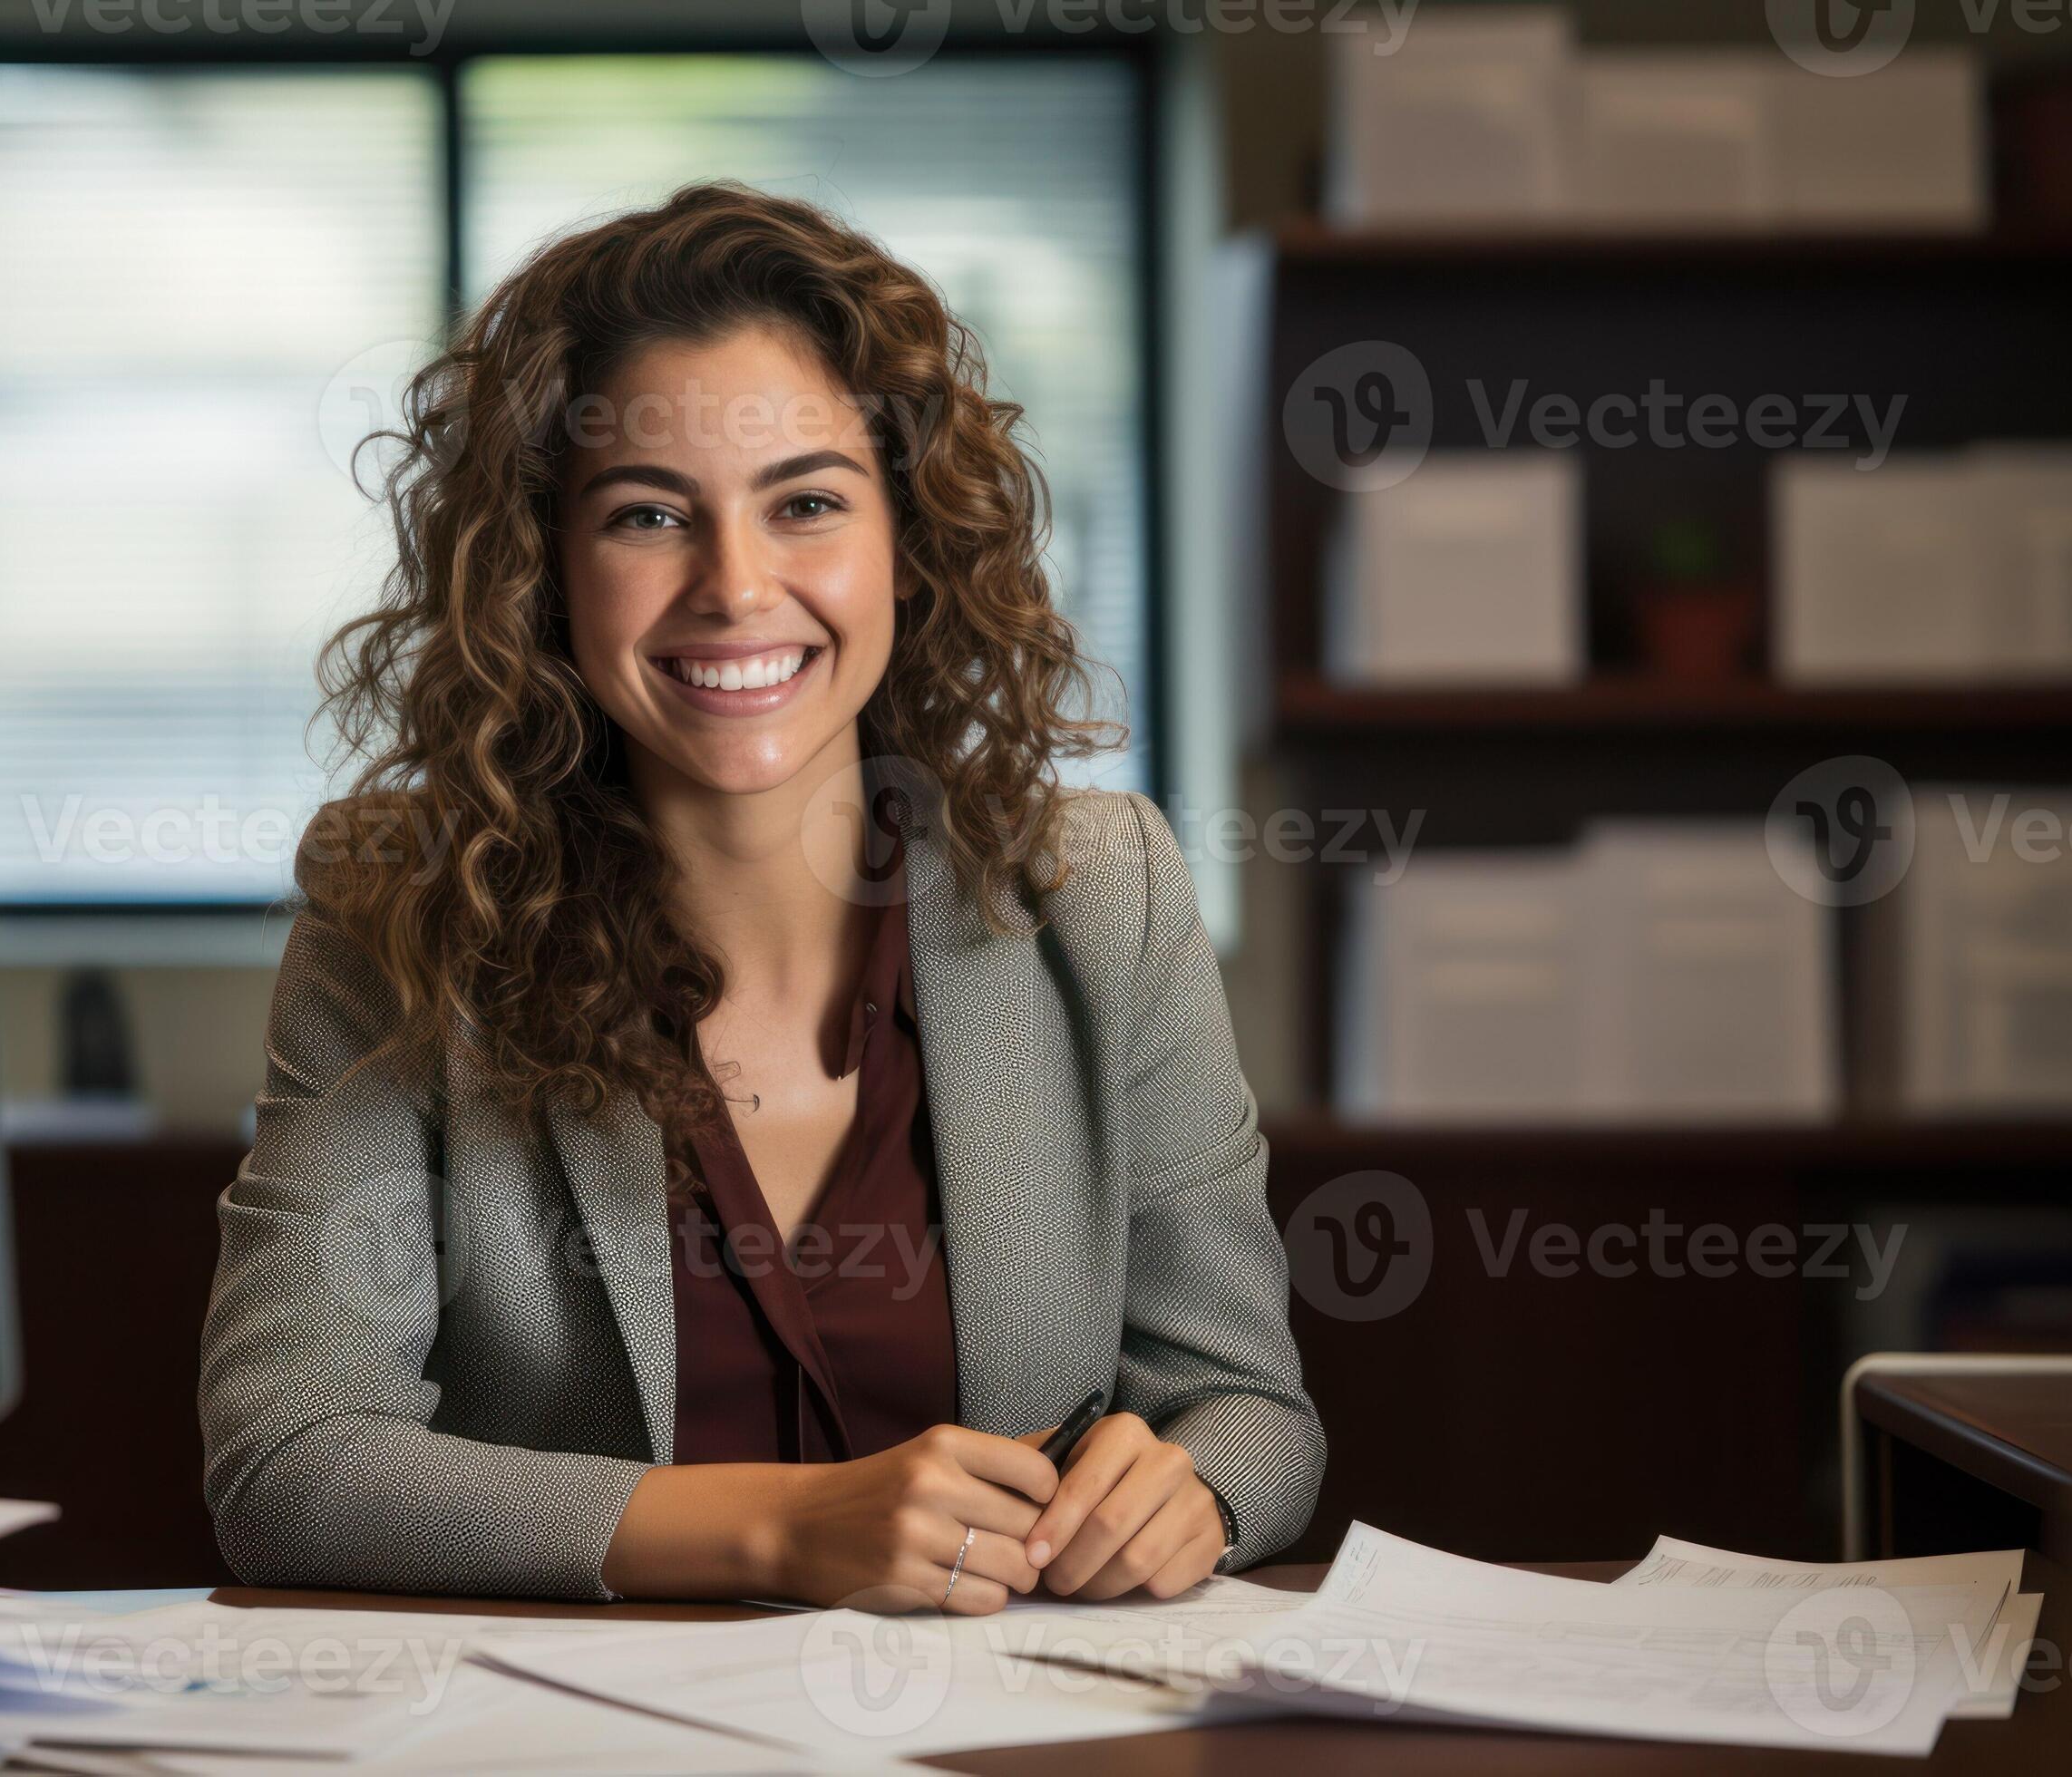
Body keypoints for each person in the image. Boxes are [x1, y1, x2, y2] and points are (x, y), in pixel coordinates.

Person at [200, 183, 1320, 1614]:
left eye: (805, 504)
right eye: (648, 515)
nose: (734, 587)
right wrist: (781, 1530)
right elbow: (290, 1462)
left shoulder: (1103, 896)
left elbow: (1250, 1409)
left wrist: (1195, 1493)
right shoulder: (404, 911)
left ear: (907, 541)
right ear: (545, 570)